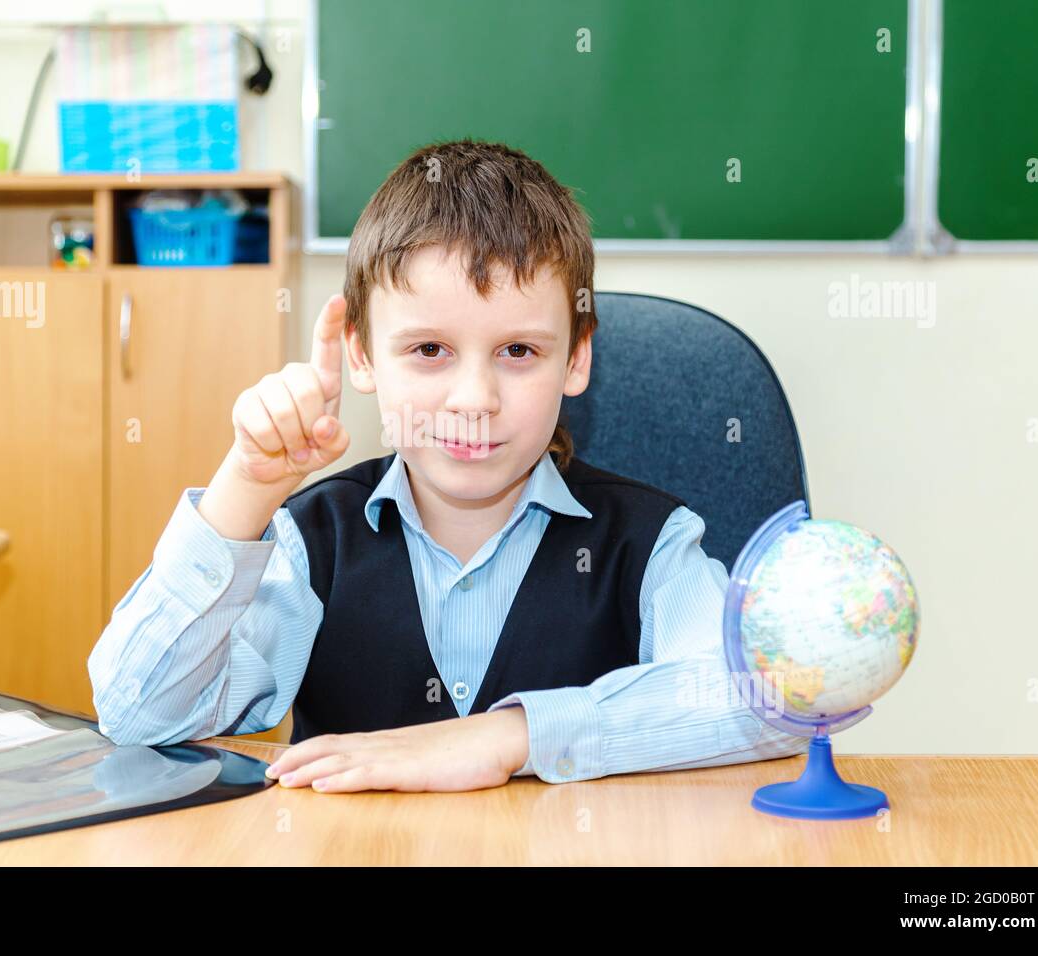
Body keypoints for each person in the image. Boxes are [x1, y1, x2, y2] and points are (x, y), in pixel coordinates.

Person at [88, 139, 807, 792]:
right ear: (362, 354)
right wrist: (247, 488)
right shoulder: (312, 540)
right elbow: (137, 713)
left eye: (518, 352)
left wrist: (509, 737)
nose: (474, 399)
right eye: (429, 350)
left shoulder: (649, 543)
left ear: (577, 357)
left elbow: (766, 702)